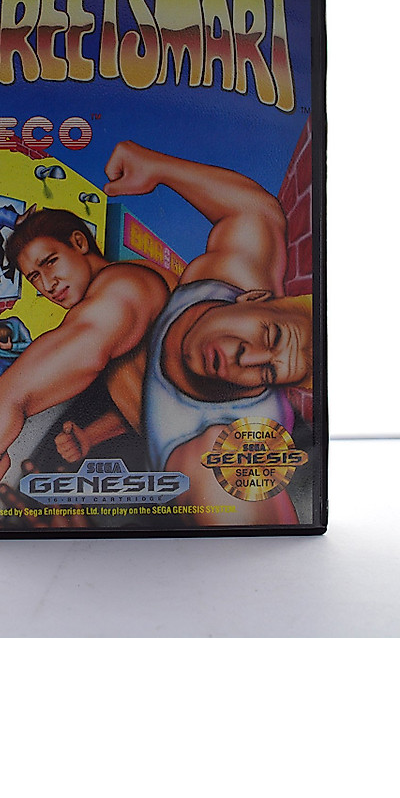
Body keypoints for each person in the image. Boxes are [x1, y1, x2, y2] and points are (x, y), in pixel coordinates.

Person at [101, 141, 314, 526]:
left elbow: (244, 495)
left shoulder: (231, 440)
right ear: (253, 296)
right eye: (270, 336)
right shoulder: (230, 275)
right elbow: (257, 212)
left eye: (268, 373)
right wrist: (155, 165)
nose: (246, 358)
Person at [0, 206, 171, 507]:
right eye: (35, 277)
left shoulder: (129, 279)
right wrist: (92, 435)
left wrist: (4, 404)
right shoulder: (122, 314)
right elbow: (156, 398)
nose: (48, 284)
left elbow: (91, 332)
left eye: (50, 262)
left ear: (79, 242)